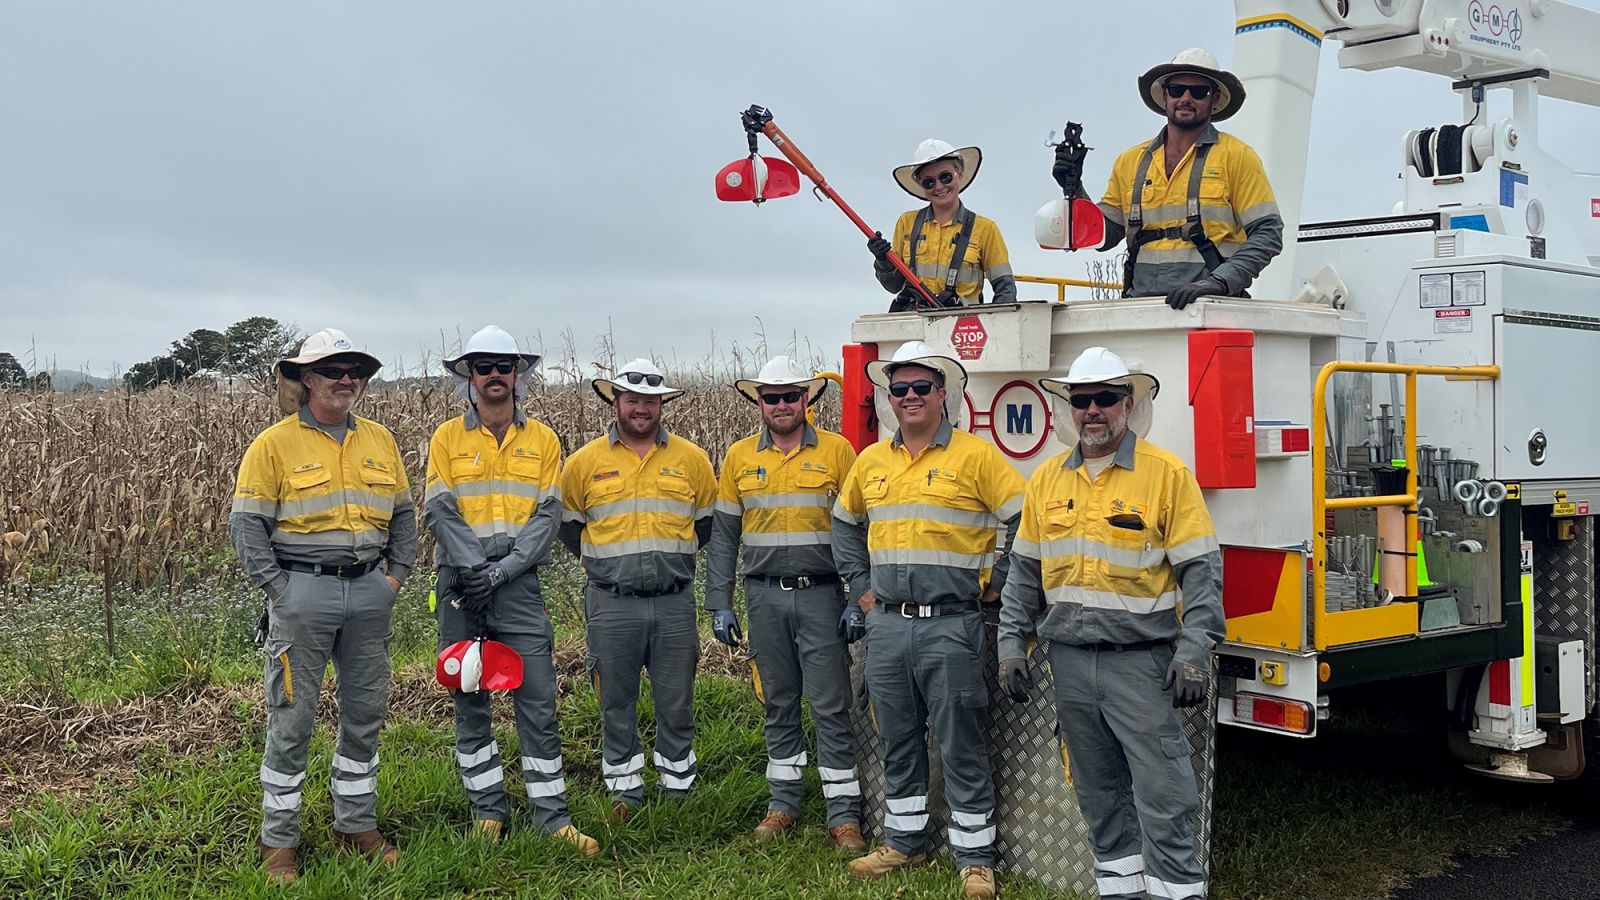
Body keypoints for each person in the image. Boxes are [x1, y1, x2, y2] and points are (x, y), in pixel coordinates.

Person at [997, 346, 1224, 900]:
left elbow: (1202, 573)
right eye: (1082, 400)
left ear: (1127, 405)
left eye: (1105, 399)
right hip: (1070, 666)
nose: (1092, 410)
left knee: (1165, 796)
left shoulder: (1166, 476)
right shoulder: (1047, 480)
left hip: (1142, 666)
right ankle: (1121, 891)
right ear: (1068, 408)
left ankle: (1176, 893)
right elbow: (1023, 575)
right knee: (1098, 794)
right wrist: (1009, 643)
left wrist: (1194, 649)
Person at [832, 341, 1025, 900]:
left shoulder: (976, 457)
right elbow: (845, 526)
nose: (910, 397)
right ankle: (904, 842)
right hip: (887, 626)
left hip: (952, 626)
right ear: (888, 398)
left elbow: (1023, 523)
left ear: (943, 394)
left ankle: (974, 859)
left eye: (921, 387)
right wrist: (862, 590)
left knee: (960, 740)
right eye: (899, 389)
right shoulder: (870, 461)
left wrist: (999, 584)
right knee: (897, 738)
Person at [229, 328, 417, 885]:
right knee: (292, 718)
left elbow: (404, 516)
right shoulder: (274, 444)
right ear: (306, 379)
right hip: (302, 592)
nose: (345, 380)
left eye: (354, 371)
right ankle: (278, 842)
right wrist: (280, 592)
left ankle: (354, 825)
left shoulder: (380, 441)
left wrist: (396, 577)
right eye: (333, 370)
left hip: (369, 593)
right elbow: (247, 525)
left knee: (365, 713)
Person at [422, 325, 599, 855]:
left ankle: (553, 817)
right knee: (469, 695)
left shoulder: (543, 440)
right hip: (460, 585)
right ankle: (487, 811)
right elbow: (438, 508)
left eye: (505, 366)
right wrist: (476, 567)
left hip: (517, 586)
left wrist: (501, 572)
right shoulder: (446, 439)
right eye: (484, 366)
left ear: (518, 375)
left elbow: (548, 516)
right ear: (470, 376)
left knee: (538, 698)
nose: (495, 375)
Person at [703, 356, 865, 850]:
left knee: (831, 705)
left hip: (820, 595)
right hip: (764, 596)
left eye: (790, 396)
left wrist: (859, 597)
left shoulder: (839, 452)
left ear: (806, 400)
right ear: (759, 403)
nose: (780, 405)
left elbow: (863, 528)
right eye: (771, 397)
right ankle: (783, 806)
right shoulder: (736, 458)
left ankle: (844, 817)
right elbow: (725, 536)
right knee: (777, 703)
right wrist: (719, 603)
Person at [558, 359, 716, 823]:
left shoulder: (692, 460)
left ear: (661, 403)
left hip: (673, 601)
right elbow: (570, 529)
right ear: (616, 402)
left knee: (676, 699)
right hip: (612, 602)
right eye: (632, 399)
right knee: (615, 699)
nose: (642, 408)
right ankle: (625, 793)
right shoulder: (583, 463)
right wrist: (611, 567)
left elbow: (704, 525)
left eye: (650, 400)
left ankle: (678, 790)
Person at [1064, 49, 1282, 309]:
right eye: (1177, 90)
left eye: (1198, 92)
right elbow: (1105, 235)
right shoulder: (1130, 161)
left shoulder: (1237, 156)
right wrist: (1073, 186)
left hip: (1213, 309)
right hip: (1141, 308)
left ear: (1215, 99)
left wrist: (1220, 282)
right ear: (1165, 96)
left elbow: (1268, 233)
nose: (1186, 98)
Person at [869, 139, 1016, 310]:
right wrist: (882, 261)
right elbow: (893, 285)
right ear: (920, 184)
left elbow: (1005, 289)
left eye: (945, 177)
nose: (939, 186)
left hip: (963, 327)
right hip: (914, 322)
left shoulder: (985, 228)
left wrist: (997, 326)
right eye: (929, 182)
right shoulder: (906, 223)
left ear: (959, 172)